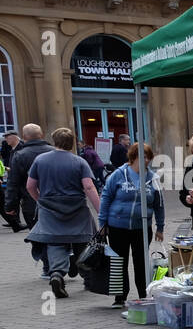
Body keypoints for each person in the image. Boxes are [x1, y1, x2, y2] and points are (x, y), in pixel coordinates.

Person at [25, 127, 99, 299]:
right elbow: (88, 186)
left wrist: (40, 200)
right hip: (76, 207)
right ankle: (88, 278)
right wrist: (100, 210)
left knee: (55, 242)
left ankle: (57, 274)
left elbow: (30, 186)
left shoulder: (40, 160)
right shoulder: (79, 161)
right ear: (72, 142)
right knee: (83, 240)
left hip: (49, 208)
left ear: (54, 141)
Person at [98, 141, 164, 306]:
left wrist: (160, 227)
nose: (147, 161)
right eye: (143, 157)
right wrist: (102, 222)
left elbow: (159, 204)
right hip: (117, 226)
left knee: (141, 262)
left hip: (141, 227)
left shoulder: (153, 178)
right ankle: (120, 297)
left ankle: (144, 294)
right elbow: (106, 197)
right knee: (119, 261)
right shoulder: (119, 174)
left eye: (149, 157)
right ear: (133, 157)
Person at [4, 124, 52, 233]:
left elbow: (13, 183)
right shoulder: (55, 151)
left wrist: (10, 205)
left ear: (24, 137)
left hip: (31, 203)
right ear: (42, 135)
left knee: (37, 240)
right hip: (56, 202)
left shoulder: (20, 155)